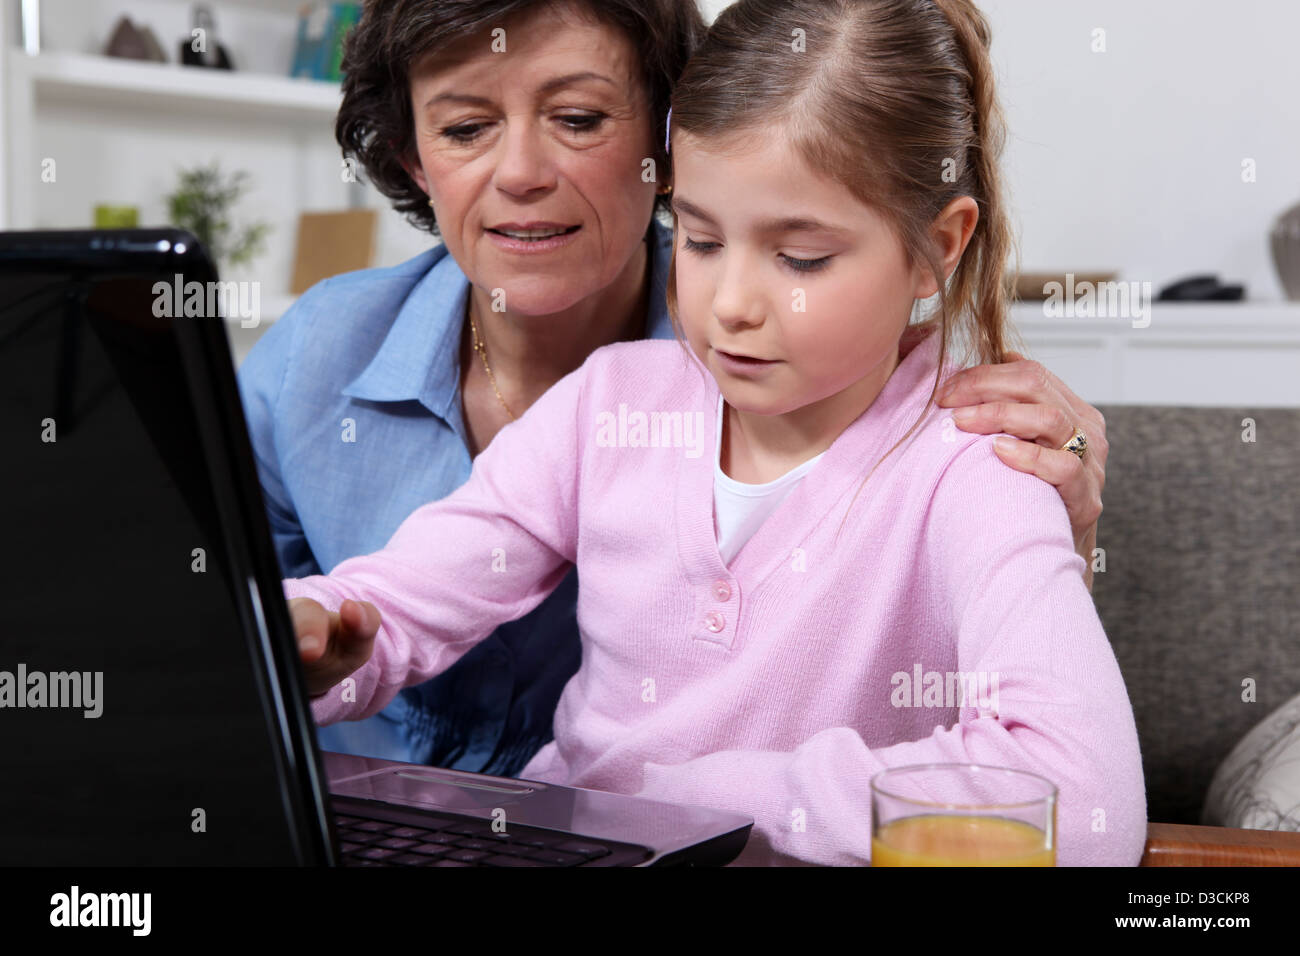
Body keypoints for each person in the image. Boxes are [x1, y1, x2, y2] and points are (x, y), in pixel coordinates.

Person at [239, 0, 1112, 787]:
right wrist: (314, 622)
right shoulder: (611, 400)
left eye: (800, 258)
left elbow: (1076, 787)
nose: (730, 304)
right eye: (699, 240)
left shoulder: (981, 463)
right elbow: (403, 595)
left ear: (938, 247)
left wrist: (714, 797)